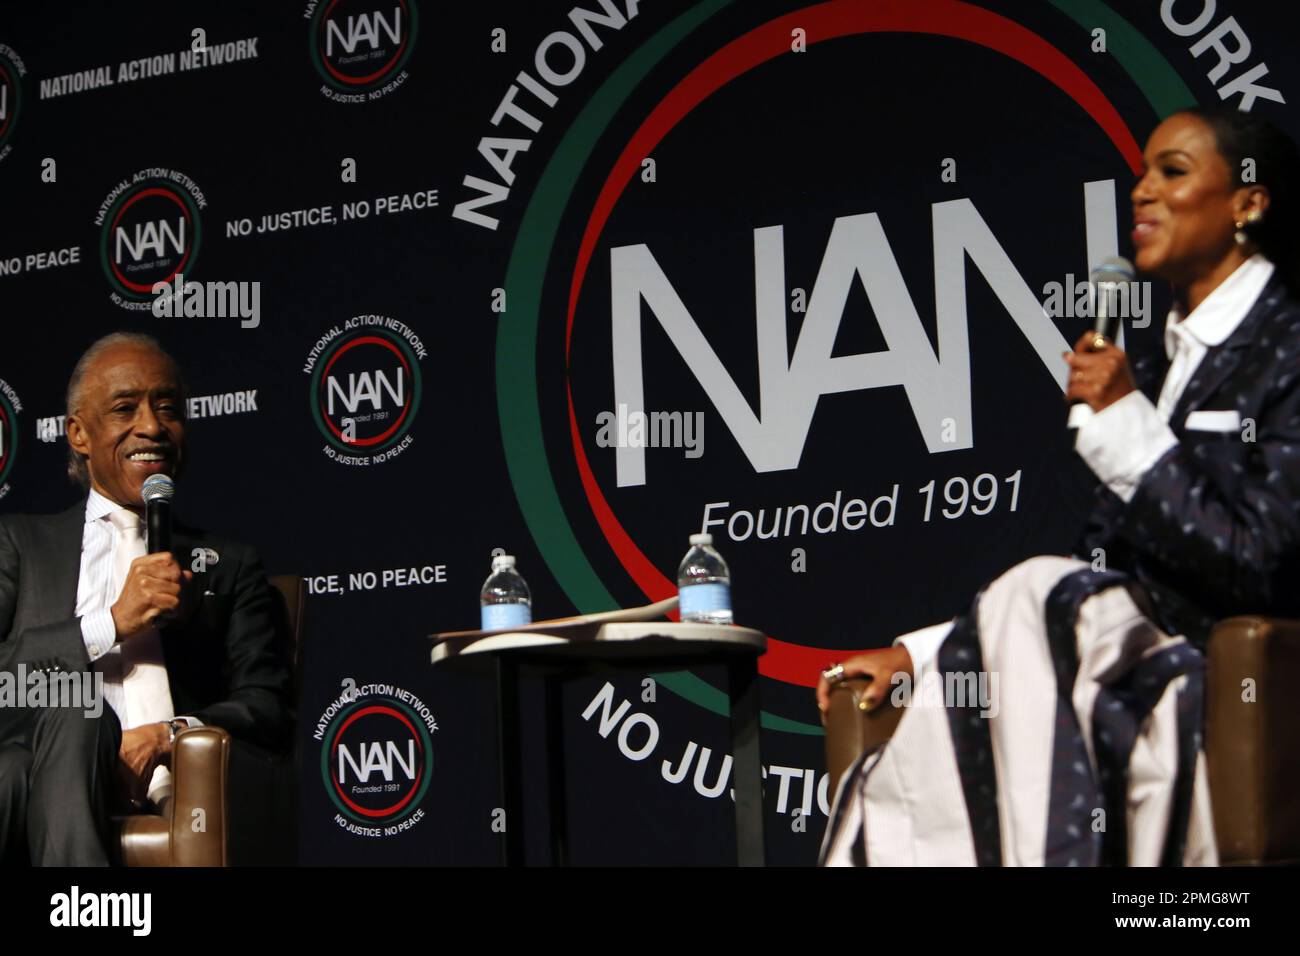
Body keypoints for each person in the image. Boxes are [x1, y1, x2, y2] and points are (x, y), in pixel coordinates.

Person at [817, 106, 1300, 866]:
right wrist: (925, 653)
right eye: (1141, 172)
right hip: (1116, 665)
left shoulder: (1288, 344)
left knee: (1038, 590)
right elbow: (1095, 579)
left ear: (1248, 200)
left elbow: (1263, 561)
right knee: (1033, 598)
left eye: (1172, 172)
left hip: (1223, 676)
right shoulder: (1166, 360)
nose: (1140, 192)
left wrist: (1128, 426)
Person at [0, 333, 292, 865]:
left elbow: (267, 706)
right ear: (79, 433)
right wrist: (112, 622)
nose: (153, 426)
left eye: (168, 409)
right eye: (124, 407)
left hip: (172, 787)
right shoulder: (20, 544)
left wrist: (165, 735)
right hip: (32, 770)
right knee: (75, 713)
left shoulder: (228, 564)